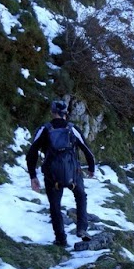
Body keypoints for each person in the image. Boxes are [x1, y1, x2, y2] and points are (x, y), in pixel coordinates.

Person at [26, 99, 97, 248]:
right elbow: (86, 149)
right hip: (74, 173)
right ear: (66, 113)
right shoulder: (72, 129)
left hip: (52, 176)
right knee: (81, 196)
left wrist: (33, 176)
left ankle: (61, 239)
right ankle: (82, 228)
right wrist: (91, 167)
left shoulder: (44, 129)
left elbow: (31, 153)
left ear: (52, 112)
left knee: (55, 206)